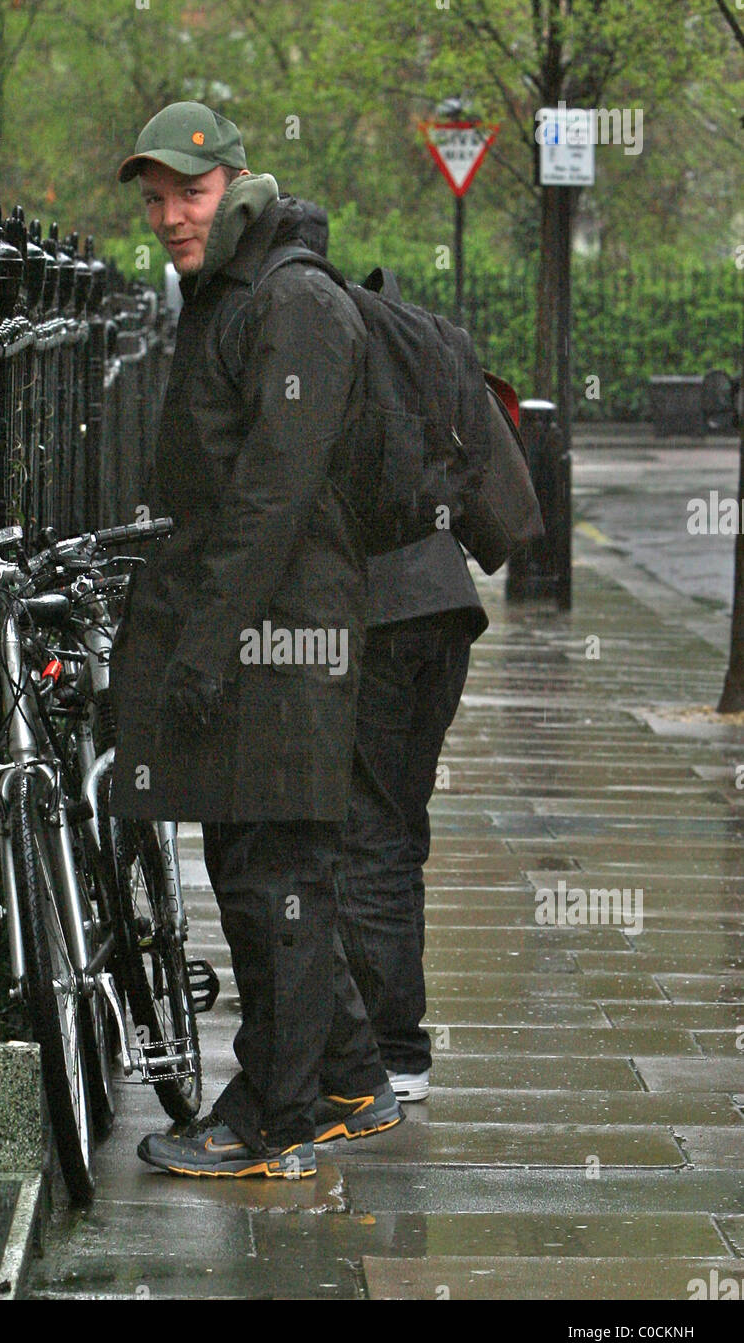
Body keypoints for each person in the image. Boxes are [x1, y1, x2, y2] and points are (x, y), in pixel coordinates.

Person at [110, 102, 404, 1178]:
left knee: (271, 873)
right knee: (262, 859)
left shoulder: (292, 303)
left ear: (234, 182)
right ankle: (348, 1076)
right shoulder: (232, 293)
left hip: (286, 637)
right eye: (153, 200)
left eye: (186, 193)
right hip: (257, 625)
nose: (168, 216)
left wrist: (204, 644)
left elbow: (270, 499)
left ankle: (274, 1117)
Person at [286, 200, 488, 1104]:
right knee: (397, 830)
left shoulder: (331, 341)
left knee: (366, 832)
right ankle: (395, 1042)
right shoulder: (426, 338)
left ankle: (393, 1053)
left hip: (381, 613)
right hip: (446, 606)